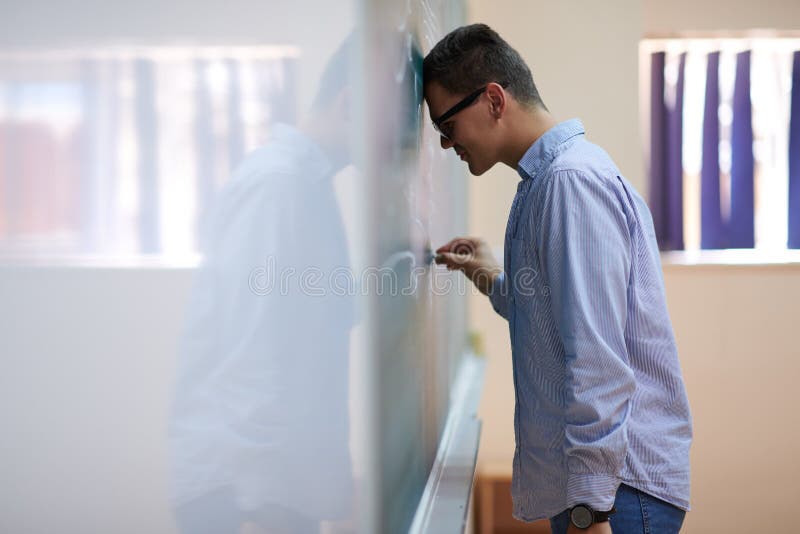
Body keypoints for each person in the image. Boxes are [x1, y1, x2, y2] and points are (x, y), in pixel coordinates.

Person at [424, 24, 692, 534]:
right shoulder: (545, 182)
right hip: (606, 491)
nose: (444, 144)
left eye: (447, 125)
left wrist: (592, 510)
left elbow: (597, 357)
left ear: (494, 100)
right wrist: (489, 275)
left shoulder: (570, 184)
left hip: (615, 494)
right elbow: (555, 315)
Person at [168, 34, 357, 534]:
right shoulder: (280, 185)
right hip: (247, 495)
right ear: (351, 103)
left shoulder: (308, 182)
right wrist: (269, 508)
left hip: (274, 487)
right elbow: (252, 357)